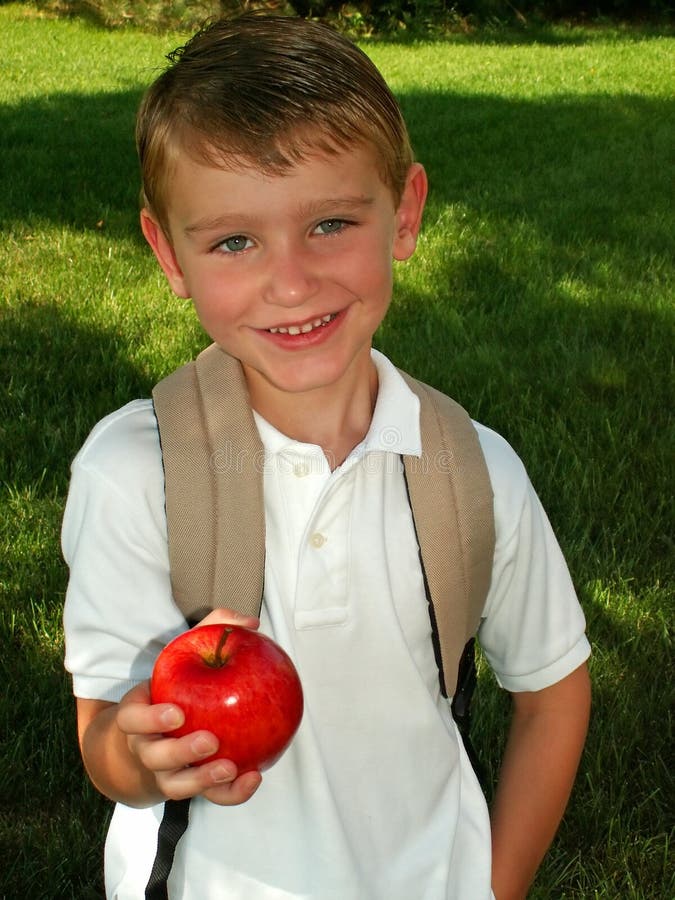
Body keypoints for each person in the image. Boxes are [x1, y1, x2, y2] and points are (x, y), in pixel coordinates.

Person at [62, 13, 591, 900]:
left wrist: (494, 886)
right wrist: (146, 753)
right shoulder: (135, 473)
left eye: (332, 223)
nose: (293, 281)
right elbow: (102, 745)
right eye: (234, 240)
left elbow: (552, 692)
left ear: (406, 213)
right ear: (168, 253)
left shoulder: (470, 470)